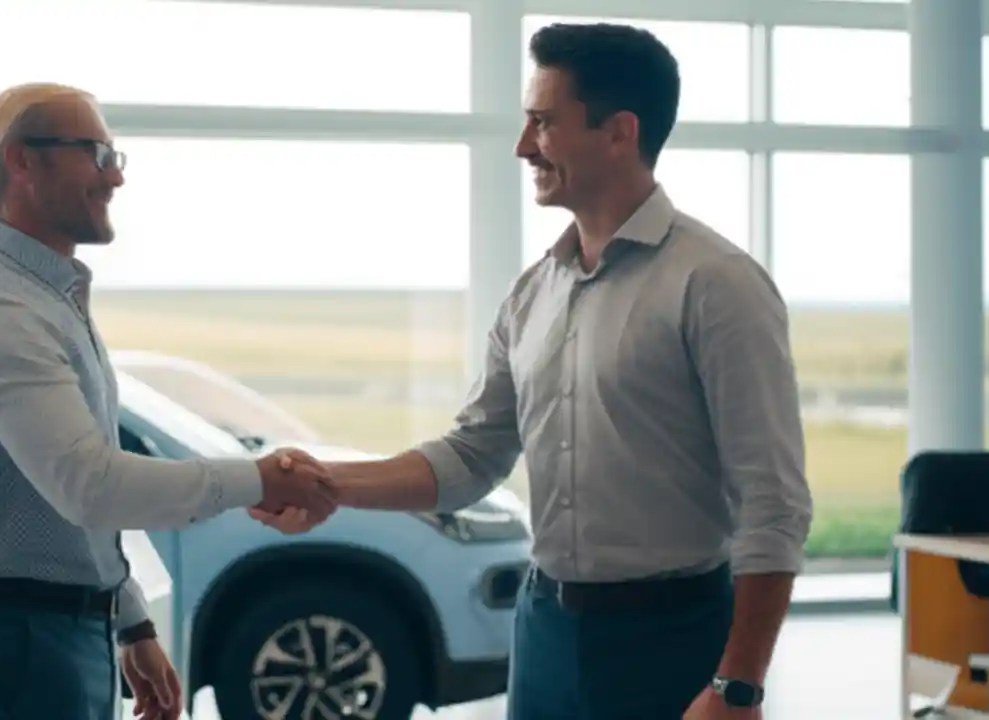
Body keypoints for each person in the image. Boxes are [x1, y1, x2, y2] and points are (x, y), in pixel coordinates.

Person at [254, 22, 813, 720]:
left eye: (544, 123)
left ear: (619, 132)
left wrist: (739, 685)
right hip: (546, 628)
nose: (523, 147)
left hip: (674, 639)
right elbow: (470, 457)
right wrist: (331, 485)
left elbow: (774, 500)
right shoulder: (532, 293)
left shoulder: (718, 283)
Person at [0, 82, 337, 720]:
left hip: (48, 634)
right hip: (18, 646)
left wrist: (128, 618)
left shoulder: (39, 297)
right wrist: (257, 478)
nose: (116, 179)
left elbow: (71, 494)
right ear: (22, 161)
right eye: (97, 153)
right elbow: (91, 485)